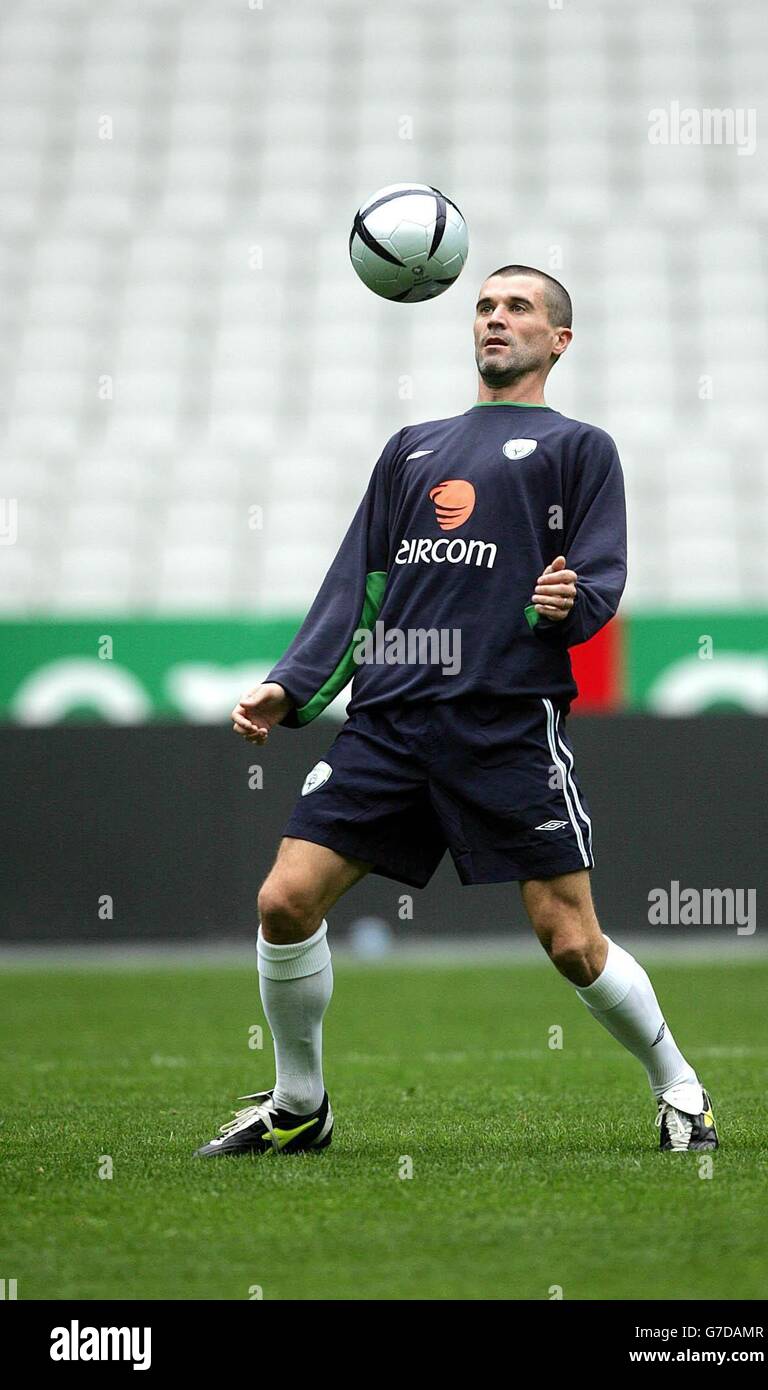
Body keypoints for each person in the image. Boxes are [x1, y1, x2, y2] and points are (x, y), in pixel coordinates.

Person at [194, 265, 718, 1159]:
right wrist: (292, 686)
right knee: (284, 901)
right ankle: (299, 1105)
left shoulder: (578, 447)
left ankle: (681, 1089)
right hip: (390, 722)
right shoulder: (412, 447)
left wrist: (570, 602)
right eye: (484, 307)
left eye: (518, 308)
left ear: (559, 340)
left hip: (504, 722)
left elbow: (599, 574)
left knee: (570, 940)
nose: (495, 319)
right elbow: (356, 585)